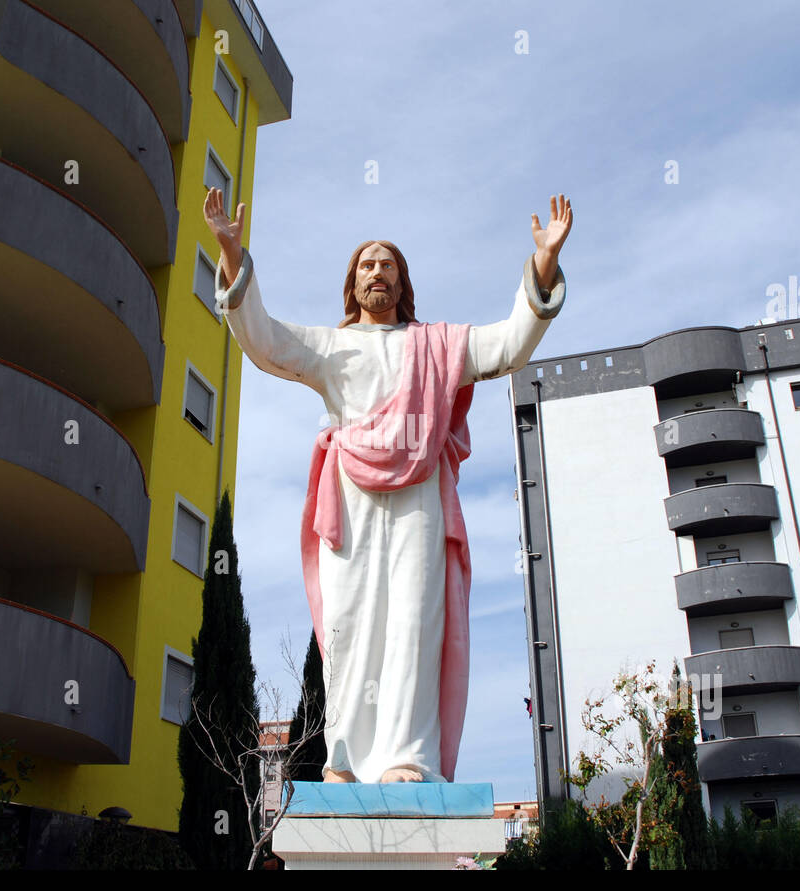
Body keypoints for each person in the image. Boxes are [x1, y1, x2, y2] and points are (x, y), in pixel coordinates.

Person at [206, 187, 571, 784]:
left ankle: (408, 757)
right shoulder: (332, 348)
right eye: (366, 266)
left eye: (388, 265)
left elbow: (509, 344)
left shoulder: (439, 346)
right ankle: (344, 761)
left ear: (402, 284)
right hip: (348, 501)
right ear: (353, 286)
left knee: (412, 623)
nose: (377, 272)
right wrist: (229, 253)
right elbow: (264, 340)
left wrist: (544, 264)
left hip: (418, 499)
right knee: (348, 628)